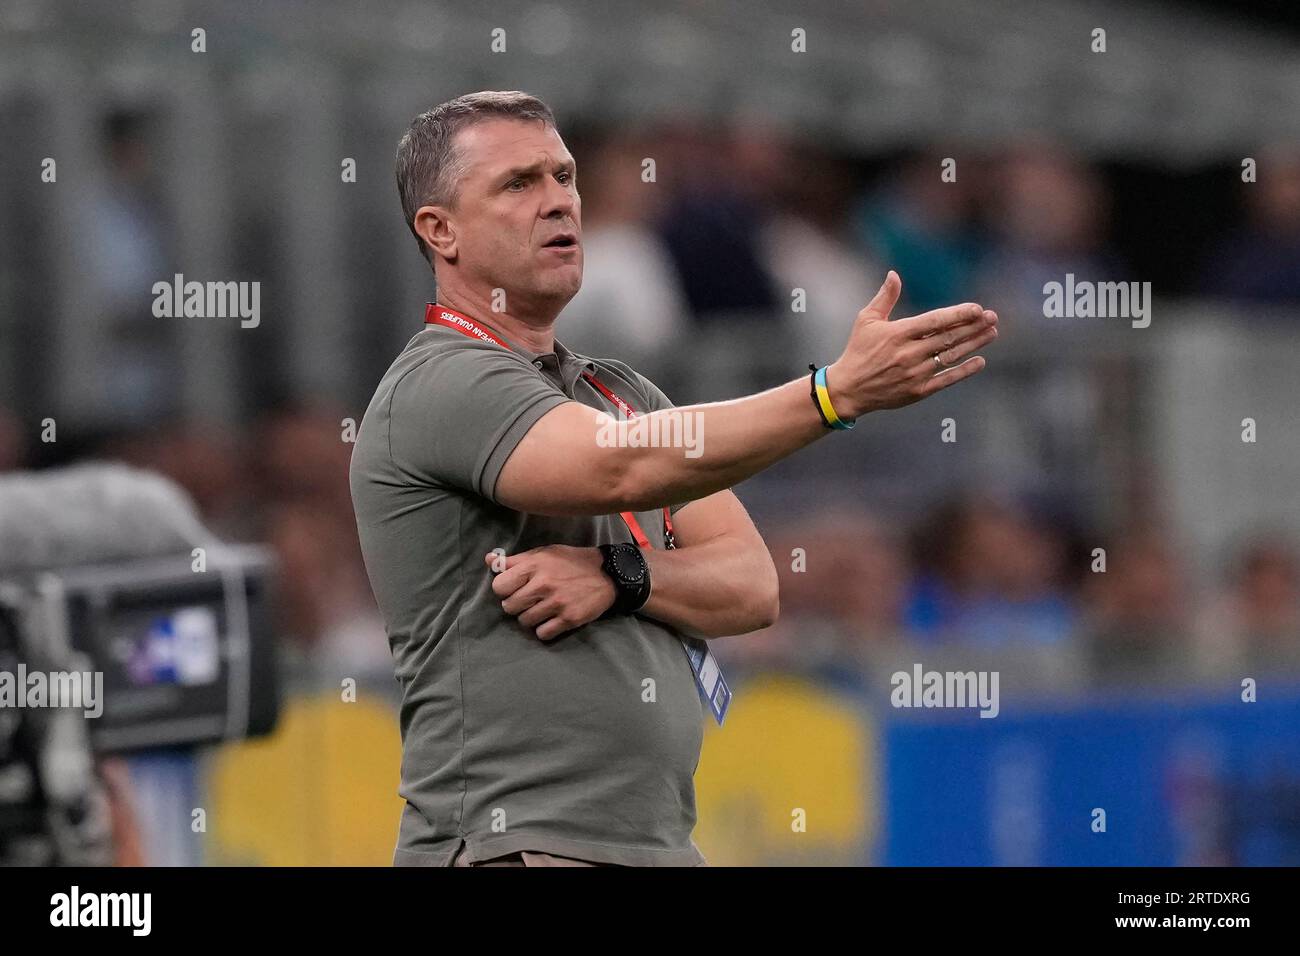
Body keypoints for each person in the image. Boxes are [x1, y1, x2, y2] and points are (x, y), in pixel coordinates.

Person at [349, 90, 999, 867]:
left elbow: (751, 585)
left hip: (656, 848)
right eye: (519, 184)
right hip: (511, 846)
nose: (559, 201)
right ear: (440, 229)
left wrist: (620, 574)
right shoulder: (441, 381)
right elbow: (615, 466)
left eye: (565, 176)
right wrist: (832, 394)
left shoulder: (619, 394)